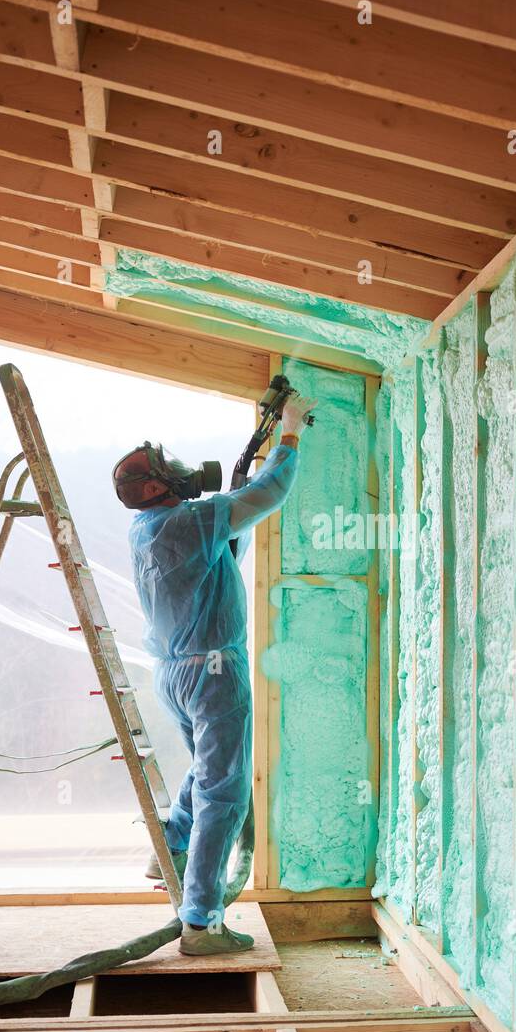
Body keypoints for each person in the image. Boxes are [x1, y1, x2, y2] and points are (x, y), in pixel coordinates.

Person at [112, 391, 316, 955]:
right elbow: (268, 496)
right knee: (224, 793)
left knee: (208, 770)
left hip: (176, 674)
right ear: (154, 488)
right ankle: (201, 923)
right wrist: (291, 432)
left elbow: (226, 549)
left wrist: (241, 478)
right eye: (165, 469)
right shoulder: (193, 518)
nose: (178, 471)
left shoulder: (149, 530)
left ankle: (169, 844)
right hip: (215, 672)